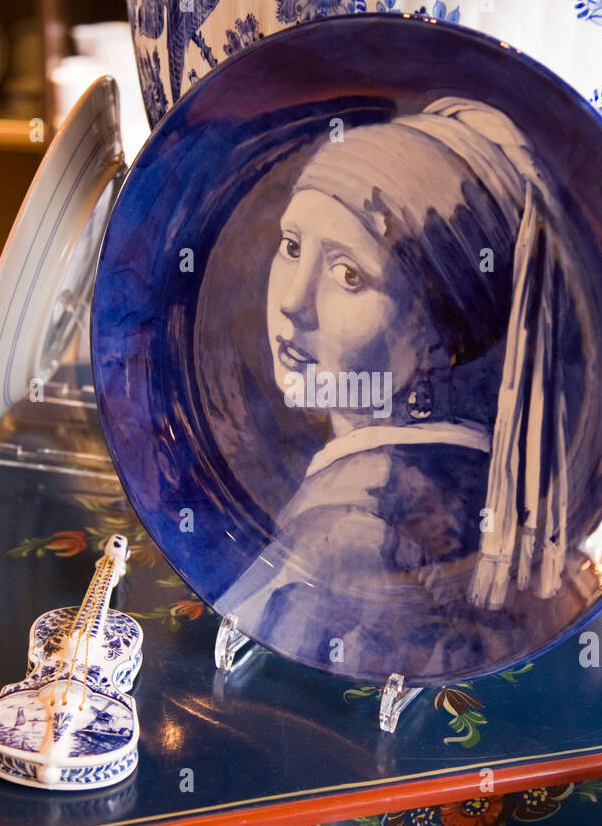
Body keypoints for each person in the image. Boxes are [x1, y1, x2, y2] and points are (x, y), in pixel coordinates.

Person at [219, 96, 574, 681]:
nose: (292, 301)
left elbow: (272, 696)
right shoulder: (467, 473)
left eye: (348, 274)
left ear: (438, 331)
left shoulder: (351, 525)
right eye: (291, 247)